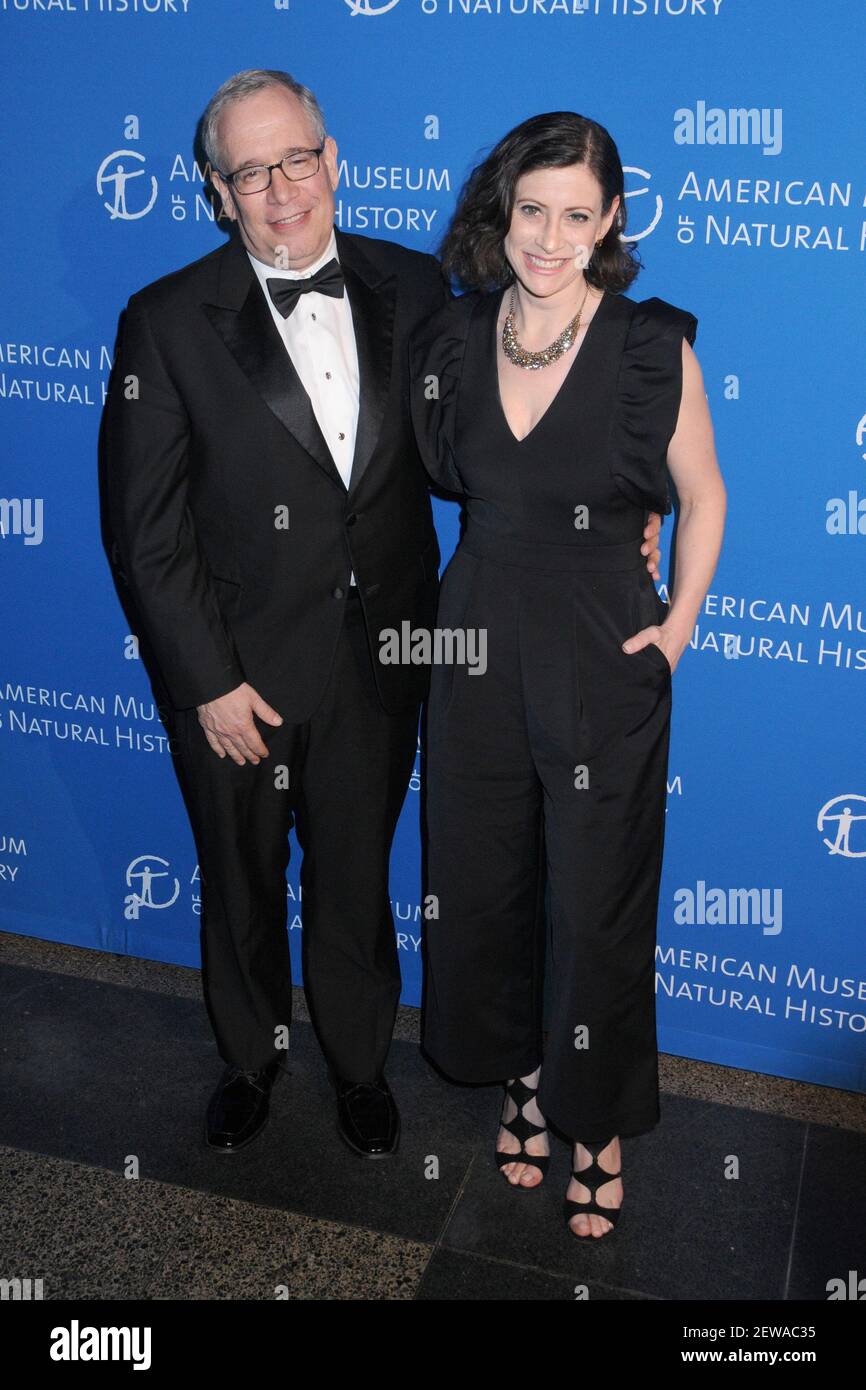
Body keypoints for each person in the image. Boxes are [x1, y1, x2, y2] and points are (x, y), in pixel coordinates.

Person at [103, 69, 455, 1158]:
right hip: (237, 677)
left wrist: (617, 509)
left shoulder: (417, 285)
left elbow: (484, 446)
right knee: (242, 881)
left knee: (356, 879)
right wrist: (205, 680)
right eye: (250, 171)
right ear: (218, 191)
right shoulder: (164, 321)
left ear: (332, 158)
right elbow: (144, 531)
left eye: (295, 158)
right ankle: (249, 1058)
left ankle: (359, 1065)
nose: (280, 188)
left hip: (381, 659)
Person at [408, 112, 726, 1239]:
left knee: (595, 901)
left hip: (603, 650)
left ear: (610, 223)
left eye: (574, 214)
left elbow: (704, 493)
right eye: (530, 209)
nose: (548, 238)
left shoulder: (648, 347)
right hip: (477, 642)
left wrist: (678, 622)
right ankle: (523, 1081)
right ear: (503, 211)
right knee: (486, 883)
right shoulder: (452, 336)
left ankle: (591, 1120)